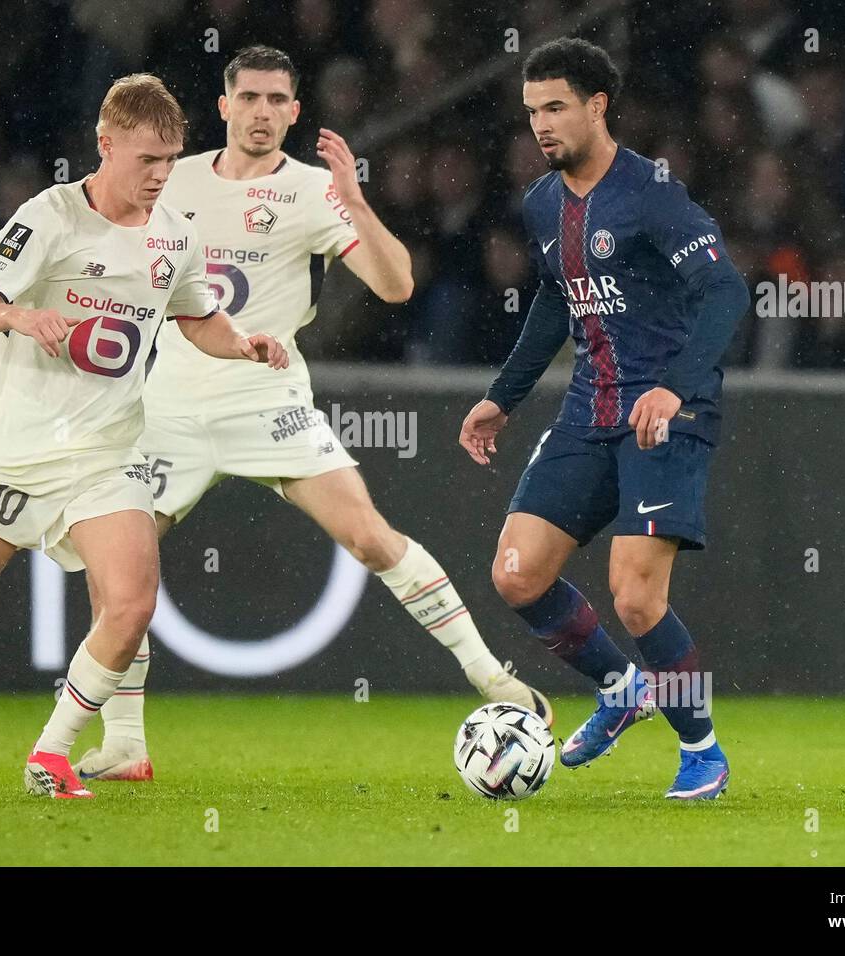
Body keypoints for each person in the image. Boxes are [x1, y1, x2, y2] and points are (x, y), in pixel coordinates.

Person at [75, 46, 552, 783]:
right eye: (250, 98)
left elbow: (396, 286)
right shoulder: (177, 180)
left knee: (369, 537)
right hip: (167, 403)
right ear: (225, 105)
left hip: (269, 399)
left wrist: (356, 204)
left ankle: (490, 675)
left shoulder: (312, 192)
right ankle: (126, 742)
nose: (263, 112)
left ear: (295, 112)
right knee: (116, 568)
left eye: (277, 100)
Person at [0, 73, 288, 800]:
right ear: (105, 146)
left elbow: (195, 315)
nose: (160, 176)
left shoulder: (176, 236)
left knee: (133, 603)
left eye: (171, 160)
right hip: (10, 452)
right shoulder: (49, 218)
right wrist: (21, 317)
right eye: (146, 160)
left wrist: (243, 343)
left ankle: (50, 753)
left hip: (104, 454)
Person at [458, 38, 749, 800]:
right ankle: (623, 689)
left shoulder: (651, 191)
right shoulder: (543, 202)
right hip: (590, 409)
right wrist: (504, 395)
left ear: (598, 105)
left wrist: (678, 389)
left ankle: (702, 748)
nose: (541, 126)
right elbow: (557, 299)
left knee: (635, 595)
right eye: (531, 113)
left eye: (555, 107)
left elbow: (725, 292)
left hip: (665, 415)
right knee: (516, 574)